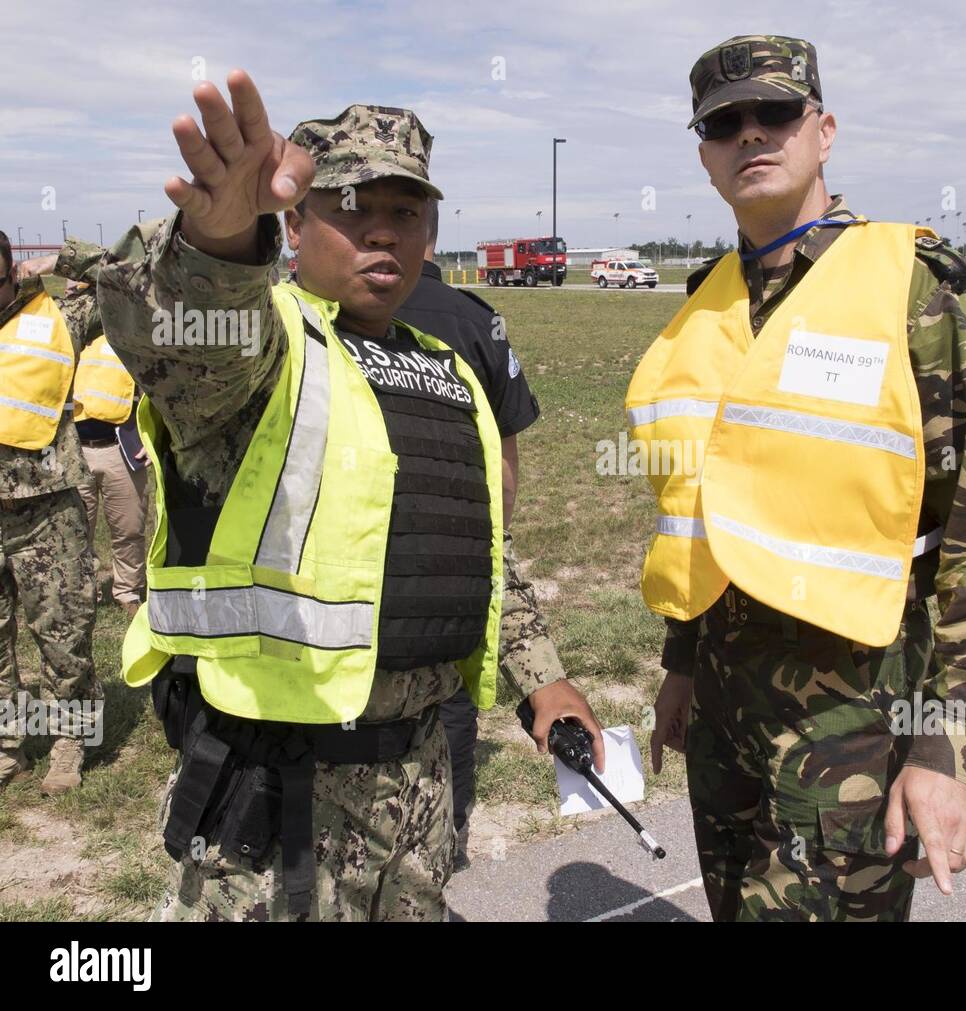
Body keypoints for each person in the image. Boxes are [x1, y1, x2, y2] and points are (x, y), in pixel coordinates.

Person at [97, 73, 603, 920]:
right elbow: (176, 333)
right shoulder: (263, 346)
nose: (382, 231)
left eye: (407, 211)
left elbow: (471, 545)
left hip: (421, 790)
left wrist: (543, 680)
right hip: (280, 802)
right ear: (294, 221)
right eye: (351, 205)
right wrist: (216, 246)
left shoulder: (446, 373)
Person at [636, 36, 966, 921]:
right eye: (723, 123)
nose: (751, 135)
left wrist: (954, 755)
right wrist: (682, 666)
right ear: (704, 155)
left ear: (823, 131)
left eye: (775, 113)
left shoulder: (909, 293)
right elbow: (701, 508)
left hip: (853, 732)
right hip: (723, 722)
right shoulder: (704, 307)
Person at [398, 202, 562, 869]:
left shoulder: (309, 316)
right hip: (457, 568)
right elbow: (505, 461)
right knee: (454, 700)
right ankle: (450, 835)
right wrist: (489, 547)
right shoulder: (474, 319)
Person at [0, 229, 102, 796]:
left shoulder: (64, 309)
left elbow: (128, 271)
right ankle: (6, 742)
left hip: (45, 505)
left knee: (63, 630)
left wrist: (62, 257)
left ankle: (69, 740)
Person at [74, 337, 149, 617]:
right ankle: (84, 590)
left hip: (122, 449)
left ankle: (128, 592)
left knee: (130, 528)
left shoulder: (132, 335)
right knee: (78, 530)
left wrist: (153, 438)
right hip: (76, 451)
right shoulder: (71, 335)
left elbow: (163, 391)